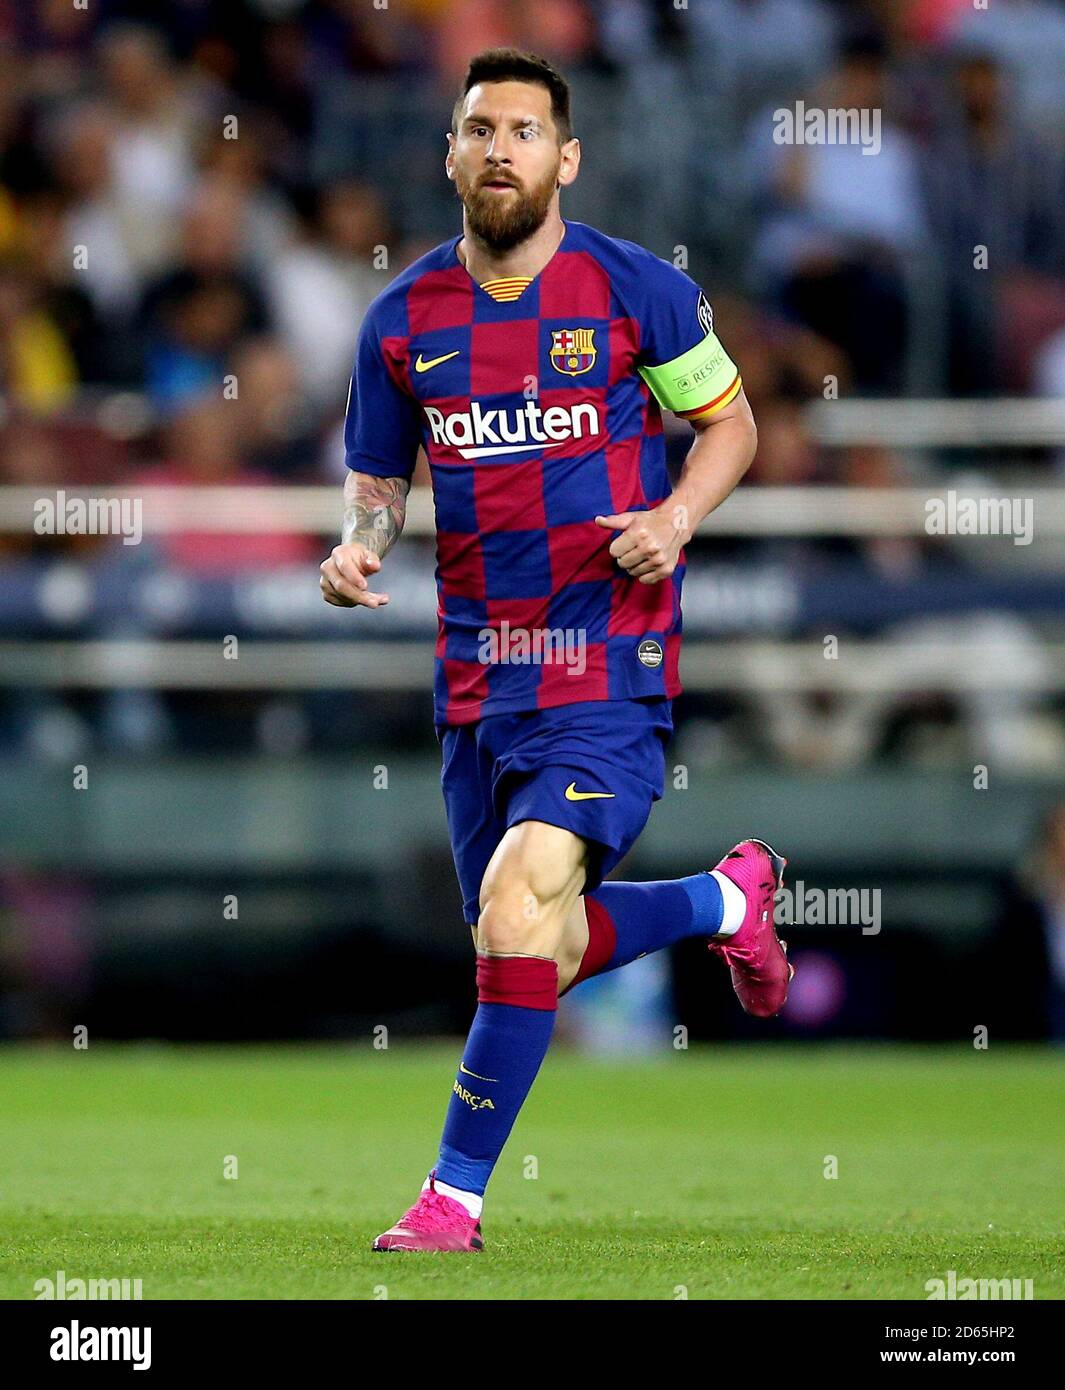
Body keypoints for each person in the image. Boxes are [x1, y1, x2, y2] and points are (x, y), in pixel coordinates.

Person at [319, 48, 793, 1253]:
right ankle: (725, 897)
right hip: (478, 678)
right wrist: (359, 546)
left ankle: (451, 1200)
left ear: (565, 158)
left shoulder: (638, 292)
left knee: (518, 895)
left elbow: (729, 425)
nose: (498, 148)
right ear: (450, 153)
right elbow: (380, 484)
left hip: (606, 663)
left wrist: (675, 519)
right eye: (478, 128)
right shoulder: (400, 322)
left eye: (524, 130)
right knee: (532, 933)